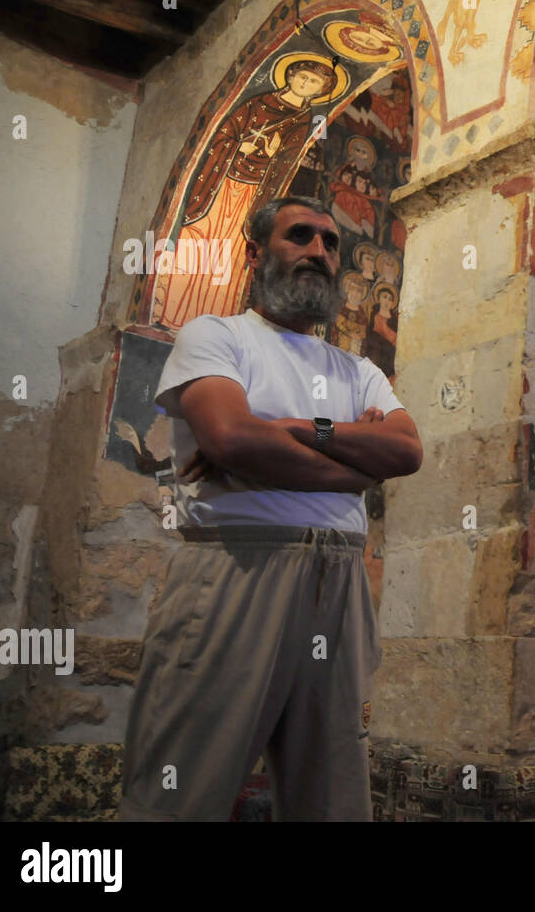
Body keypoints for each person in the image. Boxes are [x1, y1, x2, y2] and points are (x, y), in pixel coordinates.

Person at [119, 196, 423, 821]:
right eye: (301, 236)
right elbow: (231, 439)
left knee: (334, 799)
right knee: (181, 791)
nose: (319, 252)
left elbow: (407, 449)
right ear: (257, 253)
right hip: (238, 572)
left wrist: (287, 428)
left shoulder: (360, 370)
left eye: (330, 243)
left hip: (339, 584)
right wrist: (355, 470)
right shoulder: (216, 336)